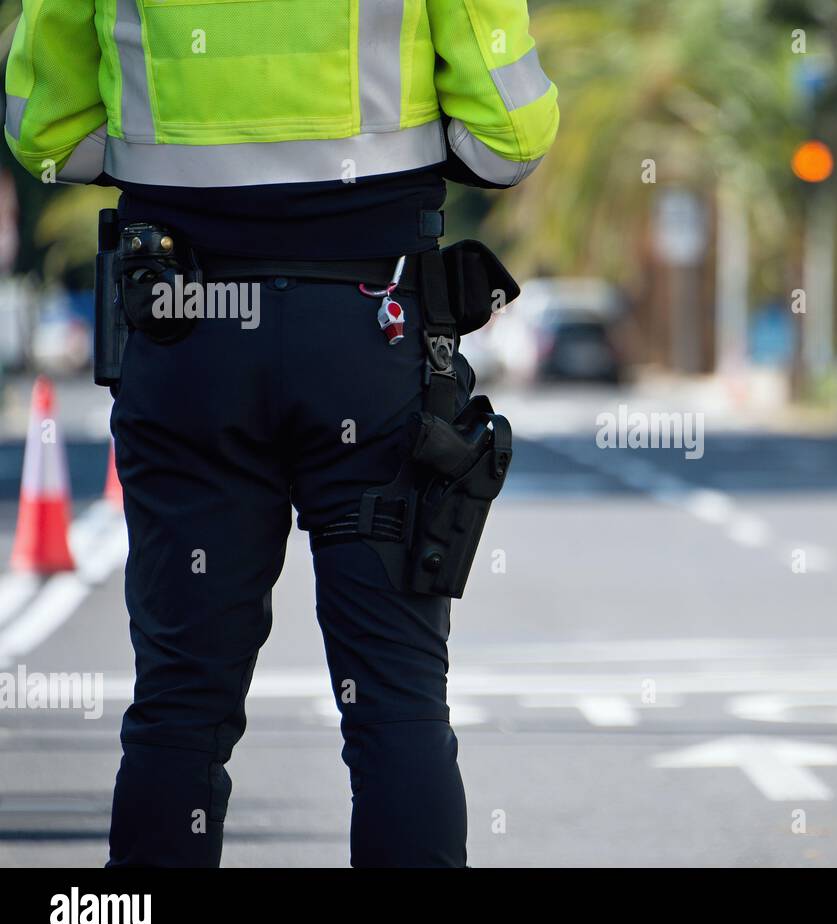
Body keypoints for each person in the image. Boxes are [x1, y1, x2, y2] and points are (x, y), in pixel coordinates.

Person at [4, 0, 557, 868]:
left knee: (180, 705)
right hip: (367, 331)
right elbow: (510, 137)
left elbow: (44, 129)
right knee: (397, 702)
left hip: (186, 326)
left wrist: (191, 174)